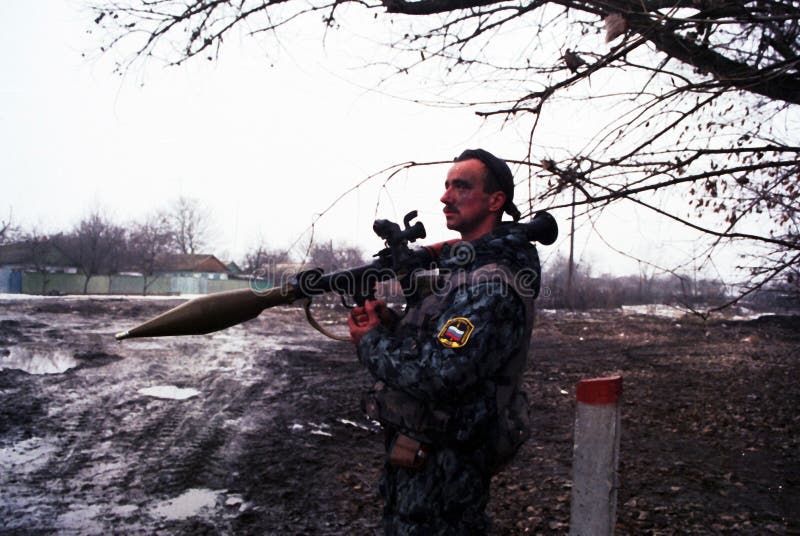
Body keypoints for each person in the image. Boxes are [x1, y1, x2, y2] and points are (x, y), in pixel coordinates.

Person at [348, 149, 541, 535]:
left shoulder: (492, 284)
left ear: (495, 201)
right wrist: (388, 326)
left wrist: (370, 343)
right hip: (421, 463)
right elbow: (435, 342)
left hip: (447, 475)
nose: (445, 196)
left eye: (462, 186)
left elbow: (440, 374)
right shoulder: (464, 271)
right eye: (447, 185)